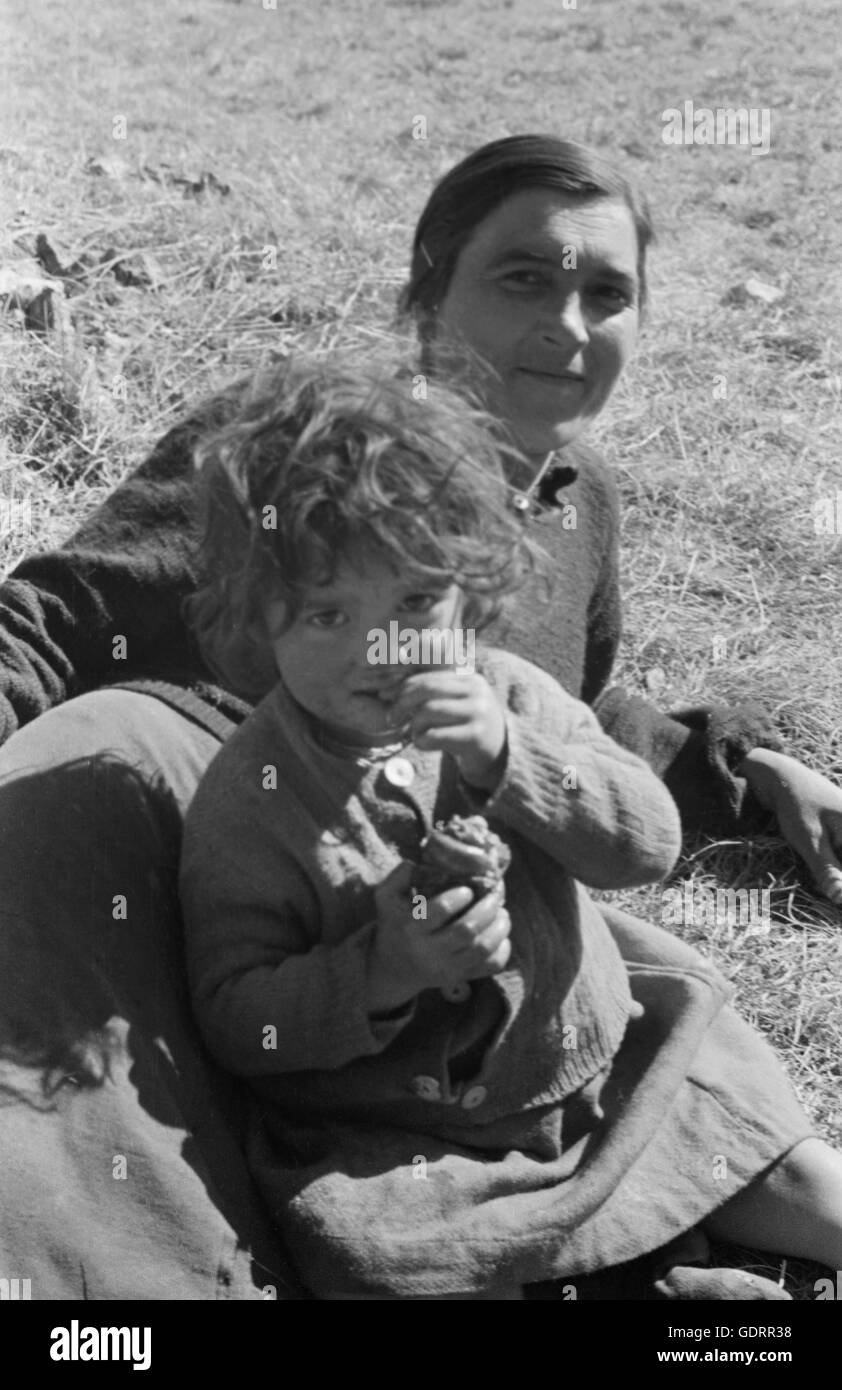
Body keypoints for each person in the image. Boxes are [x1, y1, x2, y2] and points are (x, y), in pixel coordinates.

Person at [0, 134, 840, 1299]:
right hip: (227, 804)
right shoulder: (293, 447)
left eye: (606, 292)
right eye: (521, 278)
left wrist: (745, 769)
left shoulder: (575, 498)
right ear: (425, 297)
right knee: (63, 859)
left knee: (627, 992)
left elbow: (570, 713)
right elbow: (57, 617)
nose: (568, 322)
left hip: (443, 832)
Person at [178, 353, 841, 1300]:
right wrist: (383, 970)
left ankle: (676, 1245)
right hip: (410, 1143)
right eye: (328, 612)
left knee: (789, 1169)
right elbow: (240, 1024)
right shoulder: (250, 803)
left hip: (600, 1061)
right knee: (375, 1258)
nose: (383, 649)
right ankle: (651, 1289)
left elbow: (643, 846)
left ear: (471, 586)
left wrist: (512, 758)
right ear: (258, 619)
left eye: (415, 602)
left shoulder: (510, 696)